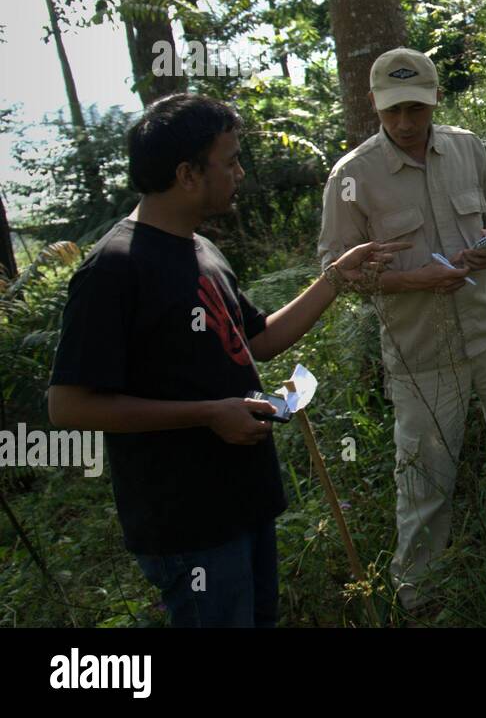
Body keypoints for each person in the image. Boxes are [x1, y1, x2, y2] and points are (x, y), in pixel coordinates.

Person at [47, 93, 404, 627]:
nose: (240, 172)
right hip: (188, 523)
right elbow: (68, 406)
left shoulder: (200, 249)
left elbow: (255, 340)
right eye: (231, 160)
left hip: (242, 502)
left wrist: (334, 280)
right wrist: (209, 413)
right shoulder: (115, 269)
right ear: (188, 173)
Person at [317, 47, 486, 614]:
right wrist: (413, 280)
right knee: (424, 485)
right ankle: (419, 596)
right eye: (393, 111)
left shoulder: (467, 148)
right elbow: (336, 275)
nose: (405, 123)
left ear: (435, 100)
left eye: (416, 110)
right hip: (421, 355)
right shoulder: (351, 178)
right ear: (374, 104)